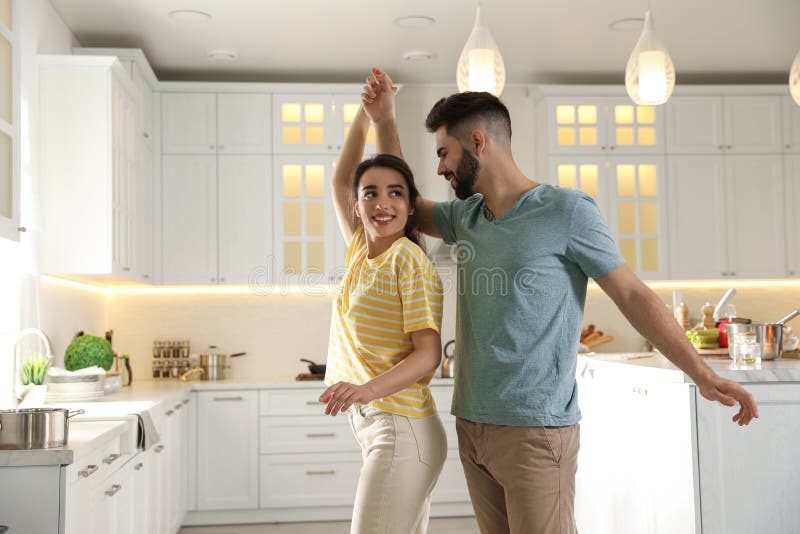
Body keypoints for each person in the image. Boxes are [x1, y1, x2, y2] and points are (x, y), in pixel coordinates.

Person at [360, 67, 759, 534]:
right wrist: (384, 118)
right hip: (471, 423)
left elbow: (632, 294)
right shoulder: (467, 216)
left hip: (536, 431)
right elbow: (397, 200)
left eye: (445, 153)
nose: (441, 167)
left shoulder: (566, 211)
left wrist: (703, 373)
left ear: (477, 142)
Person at [318, 101, 447, 534]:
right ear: (357, 206)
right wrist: (364, 114)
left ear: (411, 206)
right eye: (370, 192)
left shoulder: (407, 260)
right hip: (381, 428)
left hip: (401, 431)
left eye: (396, 192)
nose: (382, 202)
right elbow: (339, 180)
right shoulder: (361, 250)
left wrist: (364, 390)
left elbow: (428, 356)